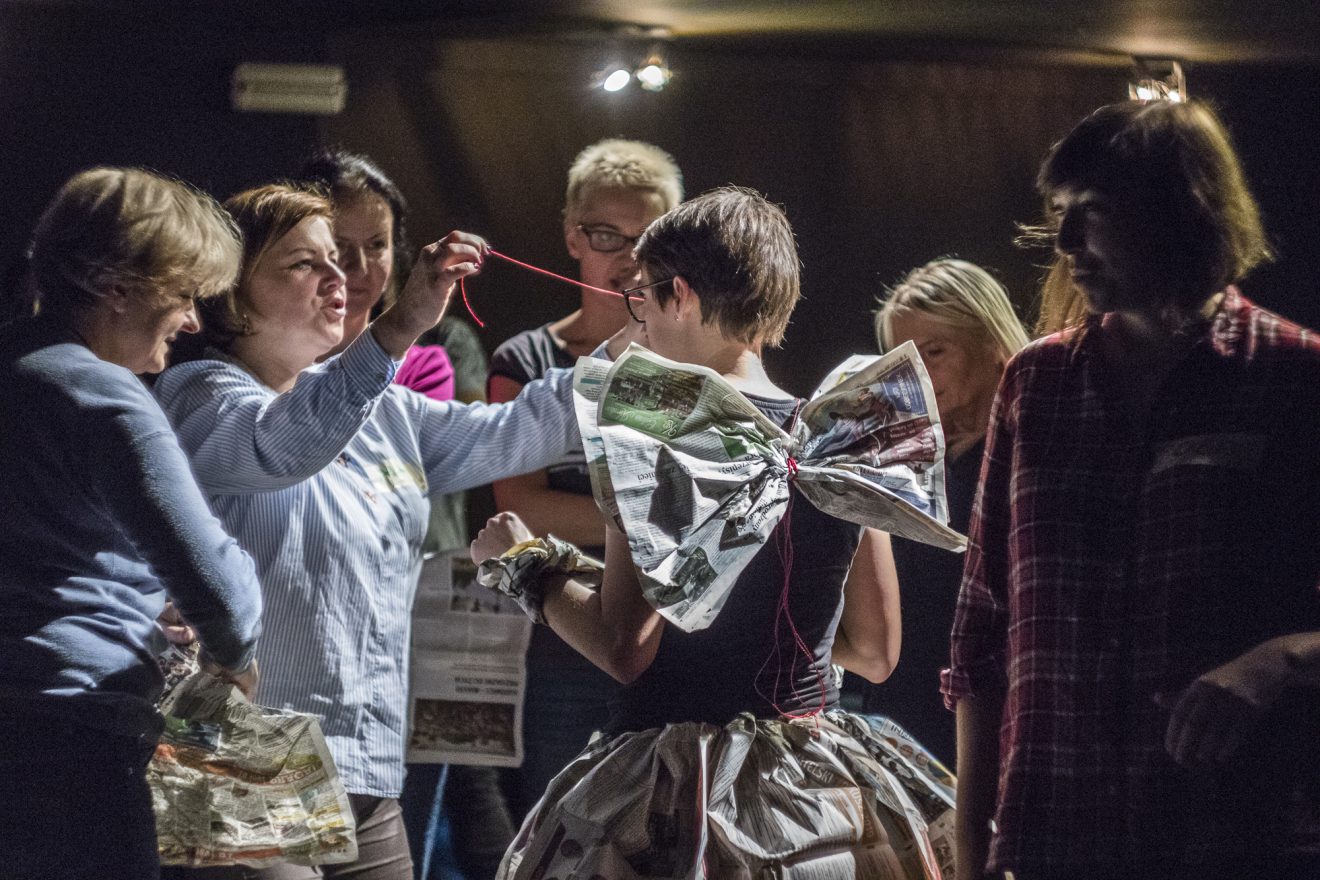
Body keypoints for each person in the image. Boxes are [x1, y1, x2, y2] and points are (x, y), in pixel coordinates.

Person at [471, 187, 932, 878]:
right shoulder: (839, 438)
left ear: (678, 295)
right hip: (814, 800)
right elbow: (873, 650)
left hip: (676, 797)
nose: (638, 320)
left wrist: (523, 564)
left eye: (642, 299)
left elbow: (624, 646)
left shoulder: (657, 432)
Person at [152, 183, 587, 879]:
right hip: (243, 751)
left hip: (365, 763)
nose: (340, 278)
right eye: (304, 264)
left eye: (343, 258)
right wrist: (398, 328)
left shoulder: (381, 408)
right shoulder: (202, 398)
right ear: (229, 294)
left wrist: (642, 338)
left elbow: (521, 432)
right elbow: (285, 444)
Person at [944, 99, 1320, 880]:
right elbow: (983, 630)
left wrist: (1274, 662)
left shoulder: (1293, 376)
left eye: (1096, 212)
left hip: (1230, 835)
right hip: (1052, 837)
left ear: (1182, 214)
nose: (1065, 242)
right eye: (1060, 213)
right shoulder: (1036, 383)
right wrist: (972, 843)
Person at [0, 167, 262, 880]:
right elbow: (219, 590)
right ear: (115, 286)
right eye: (181, 295)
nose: (193, 321)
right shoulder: (100, 391)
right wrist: (234, 652)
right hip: (71, 742)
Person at [296, 146, 482, 879]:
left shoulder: (429, 360)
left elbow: (419, 447)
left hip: (399, 641)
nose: (363, 265)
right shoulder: (239, 383)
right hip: (277, 721)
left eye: (377, 245)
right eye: (340, 247)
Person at [486, 138, 684, 823]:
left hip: (666, 628)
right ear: (573, 236)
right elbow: (516, 502)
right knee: (557, 821)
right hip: (562, 628)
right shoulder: (527, 357)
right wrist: (649, 508)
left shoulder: (685, 359)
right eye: (607, 235)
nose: (627, 257)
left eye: (647, 238)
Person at [860, 258, 1029, 763]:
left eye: (934, 352)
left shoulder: (1029, 450)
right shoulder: (897, 458)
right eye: (901, 360)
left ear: (993, 344)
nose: (916, 376)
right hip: (901, 719)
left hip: (999, 719)